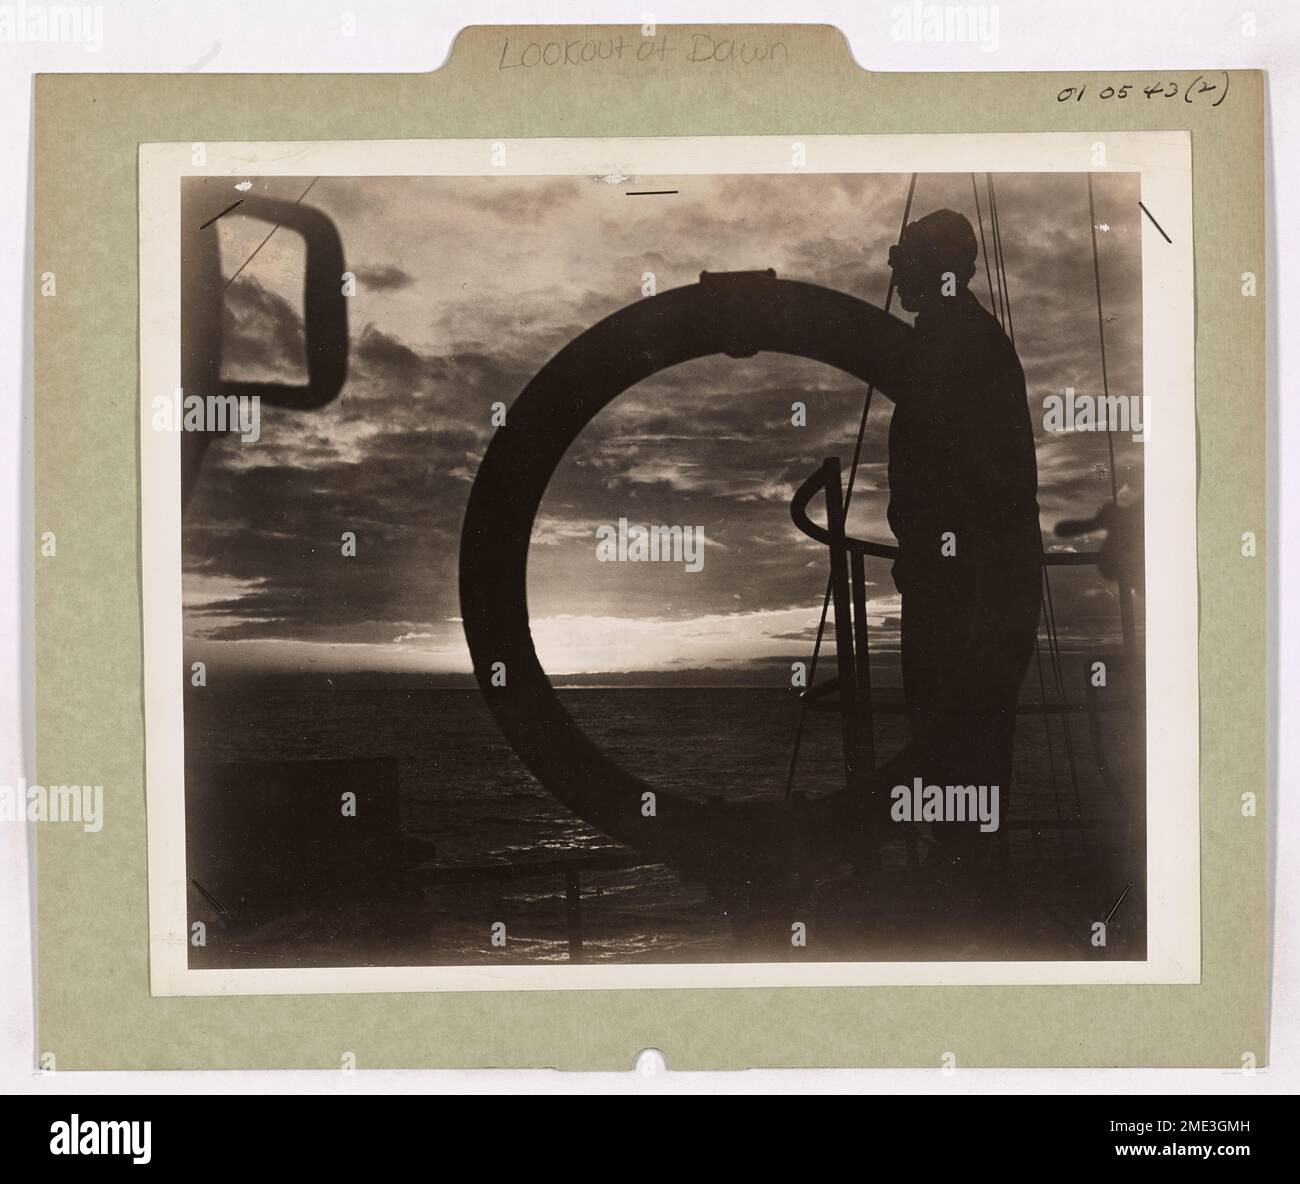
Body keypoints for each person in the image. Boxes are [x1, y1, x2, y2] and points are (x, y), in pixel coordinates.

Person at [860, 209, 1043, 879]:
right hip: (968, 580)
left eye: (902, 257)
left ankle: (967, 881)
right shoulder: (962, 339)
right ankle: (967, 870)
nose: (894, 272)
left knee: (956, 729)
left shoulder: (955, 345)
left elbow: (969, 481)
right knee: (962, 734)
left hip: (966, 588)